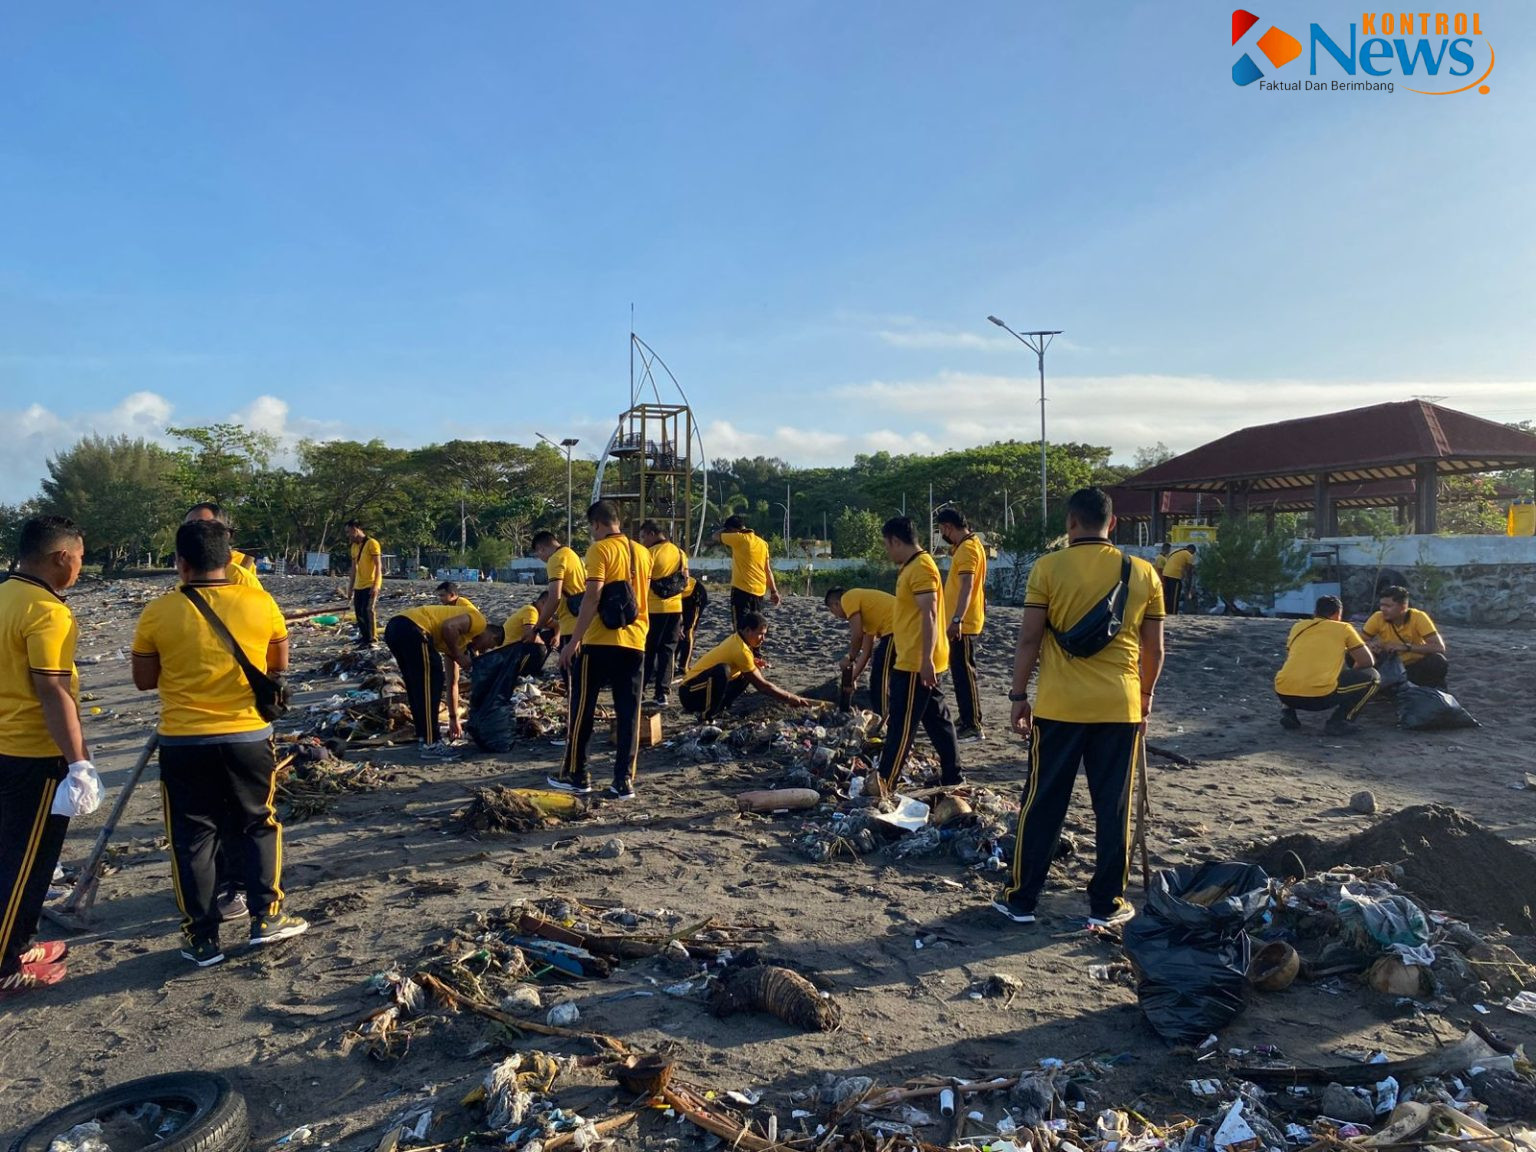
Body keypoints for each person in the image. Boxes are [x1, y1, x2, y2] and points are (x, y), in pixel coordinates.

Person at [131, 519, 306, 967]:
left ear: (180, 564)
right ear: (229, 561)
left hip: (183, 742)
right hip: (248, 737)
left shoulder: (159, 611)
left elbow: (144, 680)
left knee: (192, 838)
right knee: (258, 823)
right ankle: (267, 918)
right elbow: (277, 663)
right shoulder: (260, 602)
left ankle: (201, 937)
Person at [995, 487, 1165, 928]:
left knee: (1043, 802)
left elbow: (1029, 639)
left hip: (1060, 707)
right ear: (1113, 523)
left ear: (1070, 523)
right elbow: (1154, 650)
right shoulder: (1144, 572)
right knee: (1112, 808)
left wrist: (1018, 696)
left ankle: (1021, 900)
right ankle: (1106, 904)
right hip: (1120, 707)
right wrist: (1145, 698)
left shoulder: (1048, 567)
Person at [0, 516, 99, 999]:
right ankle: (4, 966)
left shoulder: (4, 595)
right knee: (24, 864)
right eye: (79, 558)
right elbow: (53, 690)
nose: (80, 566)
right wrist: (78, 761)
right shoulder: (47, 611)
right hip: (32, 752)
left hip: (4, 744)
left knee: (13, 855)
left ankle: (19, 942)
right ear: (61, 557)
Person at [553, 502, 653, 799]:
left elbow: (592, 597)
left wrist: (573, 641)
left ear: (596, 524)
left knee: (583, 707)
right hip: (635, 640)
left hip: (599, 640)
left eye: (591, 528)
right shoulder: (643, 552)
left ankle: (578, 774)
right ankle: (623, 780)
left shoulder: (599, 550)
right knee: (628, 712)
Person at [874, 517, 962, 792]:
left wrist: (926, 660)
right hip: (915, 656)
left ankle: (886, 780)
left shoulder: (922, 567)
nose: (888, 552)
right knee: (937, 720)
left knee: (901, 724)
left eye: (887, 545)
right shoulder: (911, 566)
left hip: (916, 661)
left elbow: (931, 614)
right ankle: (953, 775)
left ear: (895, 541)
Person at [383, 595, 491, 759]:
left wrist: (453, 719)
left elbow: (452, 681)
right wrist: (459, 656)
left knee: (418, 686)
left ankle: (423, 737)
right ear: (491, 636)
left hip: (396, 628)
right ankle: (431, 743)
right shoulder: (479, 621)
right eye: (490, 646)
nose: (483, 651)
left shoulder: (456, 641)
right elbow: (448, 627)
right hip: (413, 628)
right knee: (430, 685)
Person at [679, 612, 816, 720]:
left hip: (703, 689)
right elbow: (762, 686)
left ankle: (719, 709)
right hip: (689, 693)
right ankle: (707, 716)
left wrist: (753, 662)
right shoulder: (740, 649)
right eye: (760, 634)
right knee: (723, 670)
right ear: (748, 630)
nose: (763, 639)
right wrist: (790, 698)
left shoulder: (740, 640)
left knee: (747, 674)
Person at [1275, 595, 1380, 735]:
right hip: (1319, 699)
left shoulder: (1298, 627)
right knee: (1373, 678)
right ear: (1338, 614)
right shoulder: (1343, 628)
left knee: (1293, 670)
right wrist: (1351, 674)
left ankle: (1288, 712)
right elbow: (1367, 661)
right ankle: (1340, 721)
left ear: (1315, 613)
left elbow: (1293, 656)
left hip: (1284, 693)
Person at [937, 508, 988, 742]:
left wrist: (957, 619)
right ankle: (967, 717)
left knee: (965, 674)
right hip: (960, 621)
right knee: (960, 673)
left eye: (942, 530)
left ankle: (973, 725)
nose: (942, 534)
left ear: (948, 527)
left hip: (963, 623)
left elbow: (967, 585)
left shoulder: (968, 549)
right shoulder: (967, 546)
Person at [824, 586, 897, 717]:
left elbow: (857, 635)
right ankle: (889, 716)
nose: (836, 616)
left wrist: (850, 657)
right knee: (889, 676)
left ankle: (882, 718)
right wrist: (853, 677)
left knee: (879, 677)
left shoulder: (848, 598)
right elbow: (866, 652)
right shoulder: (869, 617)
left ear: (836, 604)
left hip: (898, 628)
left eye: (832, 611)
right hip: (899, 629)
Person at [638, 521, 689, 708]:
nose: (642, 541)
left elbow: (642, 582)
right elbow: (686, 580)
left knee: (648, 650)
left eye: (643, 536)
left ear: (652, 534)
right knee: (668, 651)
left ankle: (640, 690)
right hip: (675, 608)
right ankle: (662, 693)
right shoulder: (680, 553)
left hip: (653, 608)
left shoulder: (649, 553)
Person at [1362, 586, 1448, 689]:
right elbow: (1359, 641)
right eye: (1381, 605)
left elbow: (1439, 647)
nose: (1383, 609)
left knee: (1438, 661)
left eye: (1388, 606)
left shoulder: (1419, 617)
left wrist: (1405, 647)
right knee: (1355, 655)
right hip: (1389, 664)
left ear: (1403, 607)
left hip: (1414, 665)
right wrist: (1370, 645)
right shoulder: (1377, 617)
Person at [715, 516, 780, 629]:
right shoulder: (762, 543)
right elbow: (767, 570)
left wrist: (724, 529)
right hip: (759, 591)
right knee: (755, 627)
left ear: (732, 530)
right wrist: (774, 591)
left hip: (742, 590)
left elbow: (715, 536)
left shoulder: (739, 538)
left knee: (740, 628)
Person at [531, 532, 587, 658]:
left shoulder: (555, 559)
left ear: (541, 549)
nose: (541, 559)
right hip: (585, 622)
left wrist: (537, 629)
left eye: (538, 555)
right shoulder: (572, 555)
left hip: (571, 625)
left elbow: (554, 598)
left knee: (569, 666)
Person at [184, 503, 262, 589]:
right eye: (188, 529)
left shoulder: (242, 566)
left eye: (204, 528)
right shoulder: (186, 564)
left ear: (226, 534)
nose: (195, 534)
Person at [346, 520, 383, 649]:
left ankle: (373, 639)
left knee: (368, 610)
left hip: (370, 583)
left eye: (349, 532)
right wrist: (350, 588)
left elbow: (378, 566)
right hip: (359, 584)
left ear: (356, 529)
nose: (348, 535)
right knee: (359, 613)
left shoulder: (372, 543)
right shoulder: (354, 547)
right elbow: (353, 569)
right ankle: (365, 637)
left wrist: (376, 585)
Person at [677, 573, 709, 672]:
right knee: (675, 630)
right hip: (677, 597)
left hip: (694, 593)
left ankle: (684, 666)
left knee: (688, 631)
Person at [1160, 545, 1195, 615]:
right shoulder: (1188, 555)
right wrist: (1188, 582)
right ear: (1192, 550)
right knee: (1174, 596)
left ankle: (1166, 611)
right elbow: (1189, 570)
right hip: (1175, 576)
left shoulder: (1176, 551)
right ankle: (1173, 613)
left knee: (1168, 595)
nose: (1193, 554)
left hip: (1165, 574)